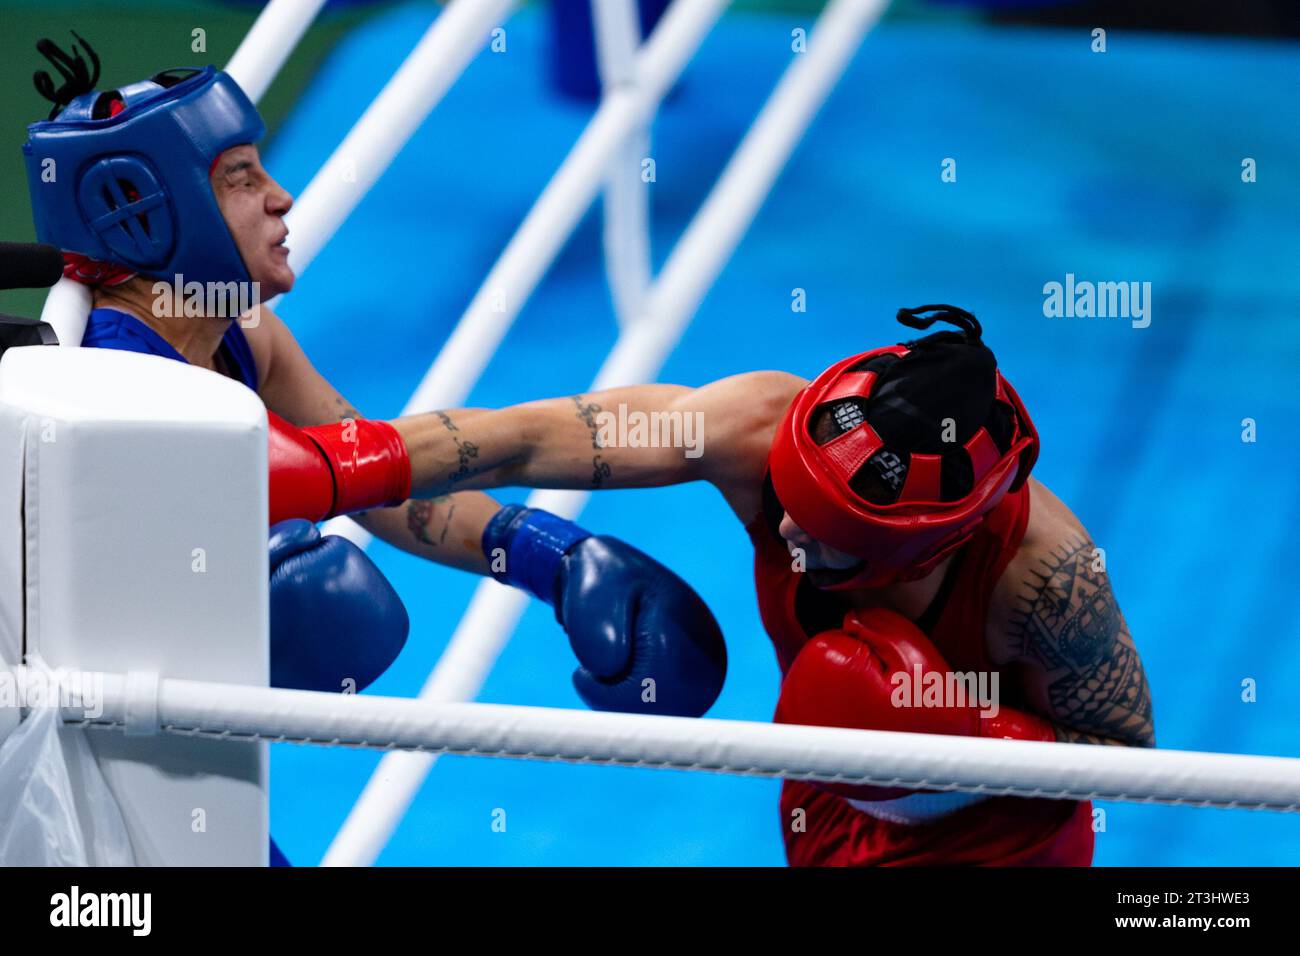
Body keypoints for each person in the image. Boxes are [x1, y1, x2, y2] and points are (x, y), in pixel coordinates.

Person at [21, 34, 727, 719]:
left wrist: (540, 553)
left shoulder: (242, 331)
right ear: (149, 215)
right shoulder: (119, 389)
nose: (282, 197)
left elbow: (371, 476)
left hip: (165, 746)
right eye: (242, 181)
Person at [315, 303, 1156, 866]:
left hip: (1000, 842)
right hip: (826, 796)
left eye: (828, 539)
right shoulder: (757, 426)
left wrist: (959, 737)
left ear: (926, 551)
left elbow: (1131, 762)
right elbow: (525, 441)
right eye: (791, 501)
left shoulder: (1045, 577)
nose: (787, 531)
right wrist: (336, 468)